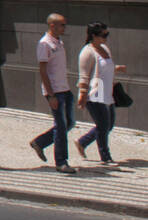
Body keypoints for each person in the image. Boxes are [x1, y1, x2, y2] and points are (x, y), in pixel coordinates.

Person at [75, 22, 127, 166]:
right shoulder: (87, 52)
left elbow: (106, 67)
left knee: (108, 125)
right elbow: (84, 75)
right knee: (103, 125)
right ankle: (105, 157)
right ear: (93, 35)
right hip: (95, 93)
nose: (106, 37)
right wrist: (83, 94)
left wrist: (117, 68)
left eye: (107, 34)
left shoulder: (104, 48)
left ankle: (82, 142)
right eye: (103, 35)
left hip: (107, 92)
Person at [30, 13, 76, 173]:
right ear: (52, 25)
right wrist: (50, 95)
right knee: (61, 127)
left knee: (69, 123)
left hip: (65, 88)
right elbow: (43, 71)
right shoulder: (45, 44)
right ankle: (61, 162)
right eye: (62, 25)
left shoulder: (58, 42)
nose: (64, 28)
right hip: (55, 91)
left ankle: (40, 142)